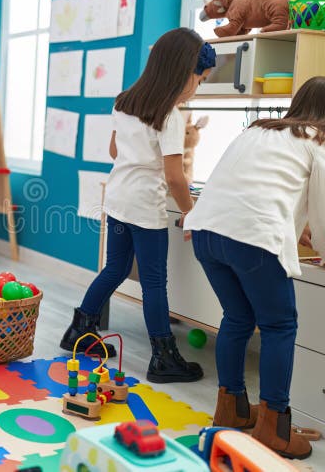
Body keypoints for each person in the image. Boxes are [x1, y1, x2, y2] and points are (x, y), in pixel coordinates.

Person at [185, 76, 325, 459]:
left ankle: (231, 408)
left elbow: (257, 190)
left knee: (237, 317)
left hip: (205, 230)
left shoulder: (259, 130)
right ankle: (273, 426)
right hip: (251, 238)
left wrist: (295, 228)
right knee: (280, 325)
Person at [60, 28, 215, 384]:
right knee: (154, 282)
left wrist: (139, 157)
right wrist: (191, 212)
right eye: (200, 79)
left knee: (115, 268)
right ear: (183, 72)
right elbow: (175, 177)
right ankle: (163, 357)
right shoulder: (170, 116)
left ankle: (79, 332)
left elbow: (115, 151)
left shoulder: (124, 102)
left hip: (117, 199)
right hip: (145, 208)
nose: (197, 87)